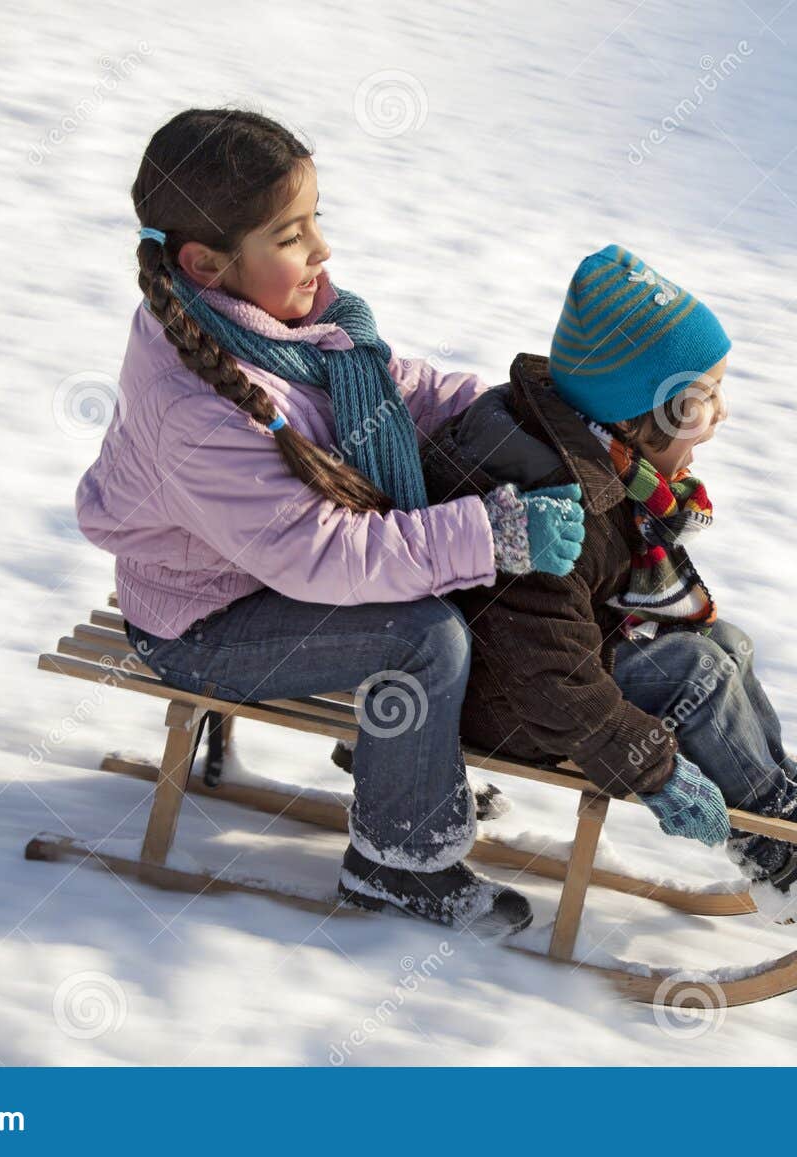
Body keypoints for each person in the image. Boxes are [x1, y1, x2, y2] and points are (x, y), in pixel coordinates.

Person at [74, 109, 586, 937]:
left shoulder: (252, 321)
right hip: (203, 625)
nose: (322, 250)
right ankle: (394, 857)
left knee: (445, 579)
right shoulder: (198, 409)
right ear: (206, 259)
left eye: (317, 221)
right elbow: (330, 558)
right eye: (290, 234)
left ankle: (398, 759)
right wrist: (489, 533)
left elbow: (389, 391)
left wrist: (504, 414)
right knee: (426, 633)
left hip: (262, 578)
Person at [421, 244, 797, 923]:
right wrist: (653, 767)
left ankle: (780, 788)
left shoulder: (590, 453)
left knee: (726, 645)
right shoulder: (558, 505)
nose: (722, 417)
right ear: (637, 415)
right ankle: (779, 846)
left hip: (540, 670)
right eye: (704, 400)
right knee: (696, 672)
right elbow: (550, 674)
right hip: (505, 700)